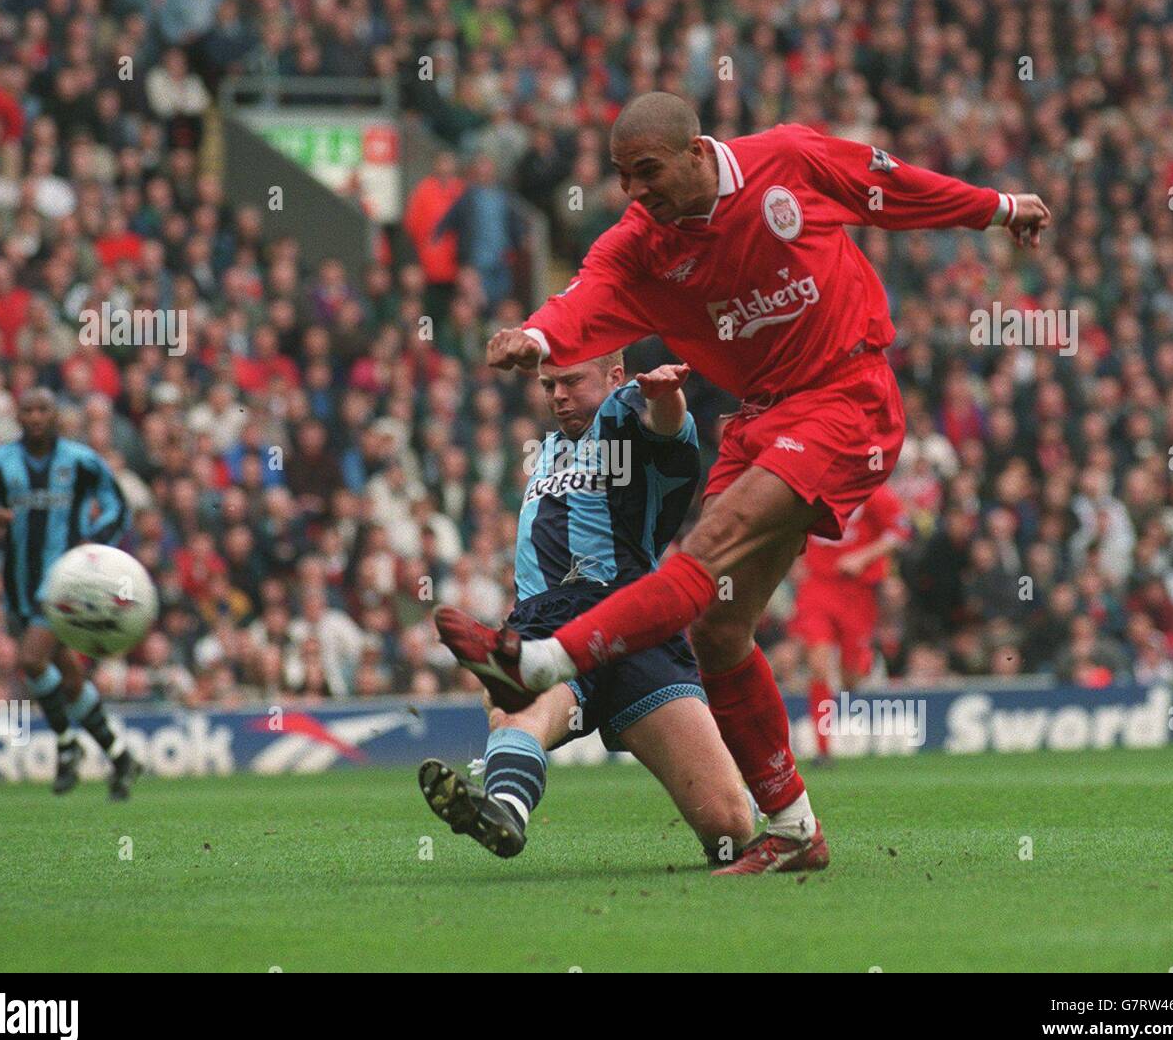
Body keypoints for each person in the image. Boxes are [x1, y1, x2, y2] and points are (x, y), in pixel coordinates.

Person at [435, 91, 1051, 874]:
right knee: (720, 630)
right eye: (623, 178)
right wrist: (537, 334)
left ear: (696, 152)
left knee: (709, 545)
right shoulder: (641, 242)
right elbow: (585, 292)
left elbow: (888, 187)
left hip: (843, 396)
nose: (634, 192)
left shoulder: (786, 160)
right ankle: (795, 830)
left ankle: (547, 662)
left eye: (647, 172)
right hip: (762, 419)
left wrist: (999, 208)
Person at [423, 354, 755, 864]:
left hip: (633, 622)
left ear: (616, 377)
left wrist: (665, 395)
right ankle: (505, 810)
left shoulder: (627, 425)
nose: (557, 395)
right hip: (548, 619)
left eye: (572, 382)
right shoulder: (547, 452)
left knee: (729, 826)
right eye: (549, 384)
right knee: (524, 710)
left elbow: (666, 429)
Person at [0, 388, 143, 799]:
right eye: (28, 410)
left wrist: (90, 546)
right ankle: (121, 756)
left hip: (67, 586)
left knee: (31, 660)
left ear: (56, 416)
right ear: (18, 417)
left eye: (43, 410)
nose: (36, 417)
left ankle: (65, 744)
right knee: (69, 681)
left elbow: (118, 506)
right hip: (18, 585)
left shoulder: (81, 461)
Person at [790, 483, 909, 764]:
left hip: (858, 592)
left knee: (851, 677)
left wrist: (863, 556)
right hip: (817, 587)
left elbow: (901, 531)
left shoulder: (874, 491)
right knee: (818, 664)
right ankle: (823, 749)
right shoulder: (811, 484)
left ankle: (867, 662)